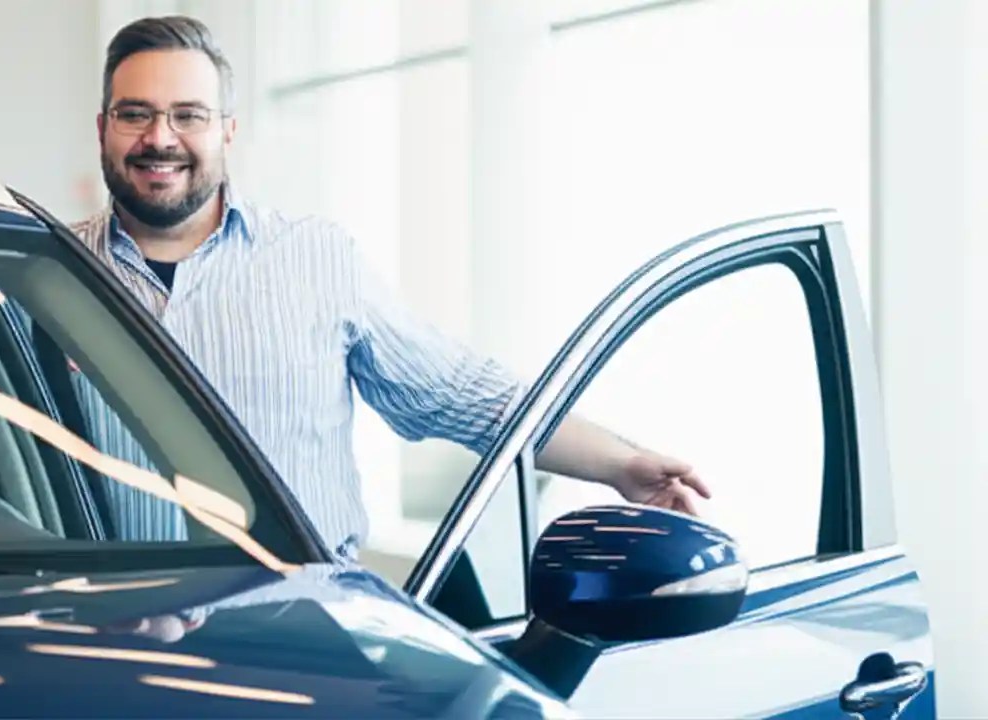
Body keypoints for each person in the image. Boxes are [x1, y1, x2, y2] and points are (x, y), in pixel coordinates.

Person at [72, 15, 711, 562]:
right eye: (137, 115)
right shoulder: (41, 277)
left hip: (302, 636)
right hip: (102, 643)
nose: (160, 138)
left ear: (226, 133)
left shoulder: (314, 259)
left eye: (188, 115)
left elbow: (464, 395)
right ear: (103, 127)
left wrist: (620, 465)